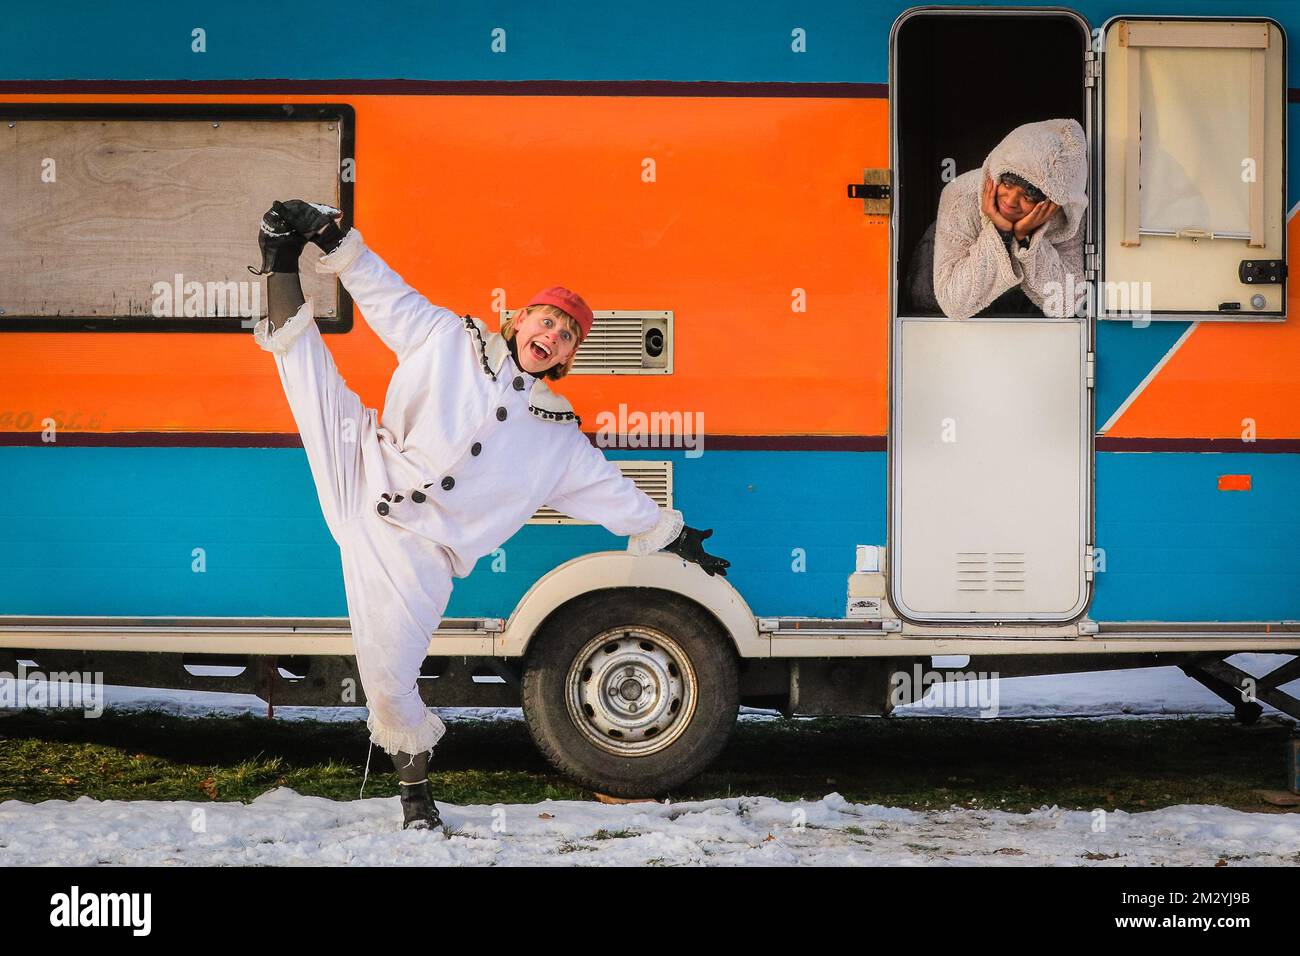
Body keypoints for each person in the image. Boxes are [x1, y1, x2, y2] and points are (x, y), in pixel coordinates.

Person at [248, 200, 729, 833]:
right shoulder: (448, 336)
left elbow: (614, 494)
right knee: (306, 373)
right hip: (367, 467)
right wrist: (335, 242)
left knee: (389, 683)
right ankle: (280, 257)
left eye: (566, 334)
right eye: (547, 319)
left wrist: (673, 536)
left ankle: (416, 798)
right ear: (520, 318)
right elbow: (380, 289)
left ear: (565, 357)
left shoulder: (558, 437)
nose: (552, 334)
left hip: (419, 552)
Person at [911, 118, 1088, 320]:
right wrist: (1001, 232)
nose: (1011, 201)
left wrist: (1026, 240)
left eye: (1027, 196)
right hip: (933, 313)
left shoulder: (1066, 216)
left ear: (1051, 200)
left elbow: (1068, 303)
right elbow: (953, 303)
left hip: (1025, 326)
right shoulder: (960, 196)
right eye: (1007, 184)